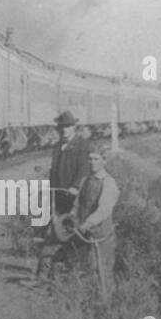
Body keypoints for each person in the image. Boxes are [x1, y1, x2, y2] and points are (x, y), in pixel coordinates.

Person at [36, 110, 91, 279]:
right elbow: (54, 170)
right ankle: (45, 271)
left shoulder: (82, 144)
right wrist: (49, 189)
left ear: (74, 127)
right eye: (61, 127)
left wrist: (75, 187)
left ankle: (72, 269)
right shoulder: (58, 146)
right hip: (58, 196)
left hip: (75, 197)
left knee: (73, 232)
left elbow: (83, 168)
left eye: (67, 127)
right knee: (53, 232)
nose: (64, 130)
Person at [68, 148, 120, 298]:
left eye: (96, 159)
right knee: (85, 266)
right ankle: (86, 298)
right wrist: (73, 216)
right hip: (83, 231)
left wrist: (88, 223)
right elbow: (78, 203)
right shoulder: (85, 180)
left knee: (103, 268)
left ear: (104, 161)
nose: (92, 162)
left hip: (101, 232)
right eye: (90, 159)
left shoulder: (109, 182)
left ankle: (106, 301)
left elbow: (104, 209)